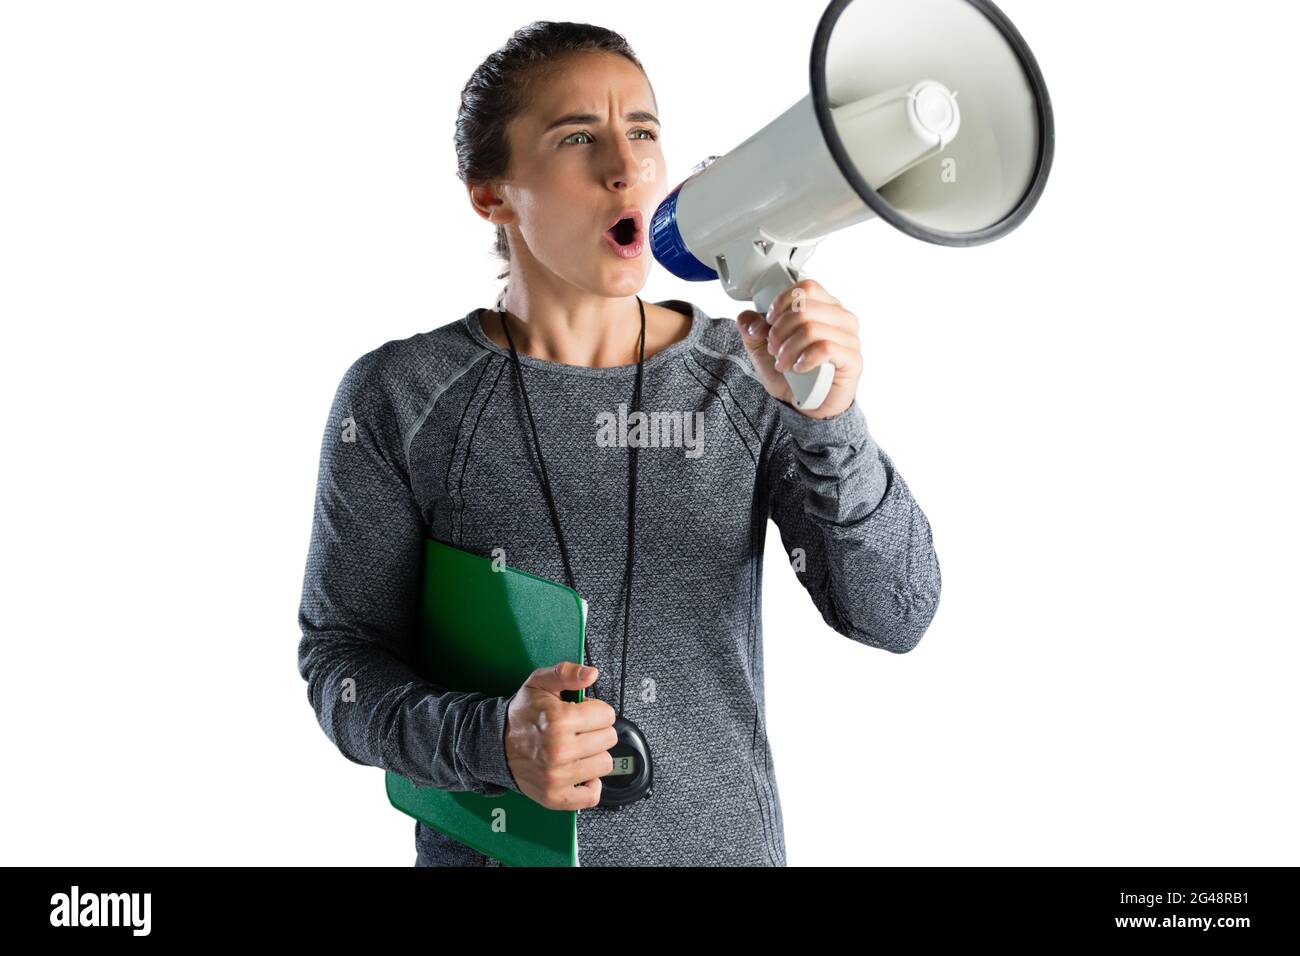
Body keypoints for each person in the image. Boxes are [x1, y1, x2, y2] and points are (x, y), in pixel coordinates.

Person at [296, 20, 942, 868]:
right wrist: (493, 740)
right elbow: (340, 665)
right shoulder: (401, 396)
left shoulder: (748, 377)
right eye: (577, 138)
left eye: (642, 132)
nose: (625, 168)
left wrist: (830, 420)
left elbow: (896, 614)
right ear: (491, 194)